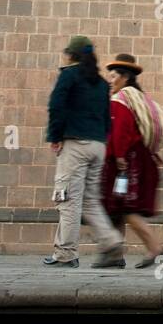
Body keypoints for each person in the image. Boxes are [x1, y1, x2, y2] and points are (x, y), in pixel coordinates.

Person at [43, 35, 124, 269]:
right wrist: (102, 141)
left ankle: (66, 254)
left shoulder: (68, 75)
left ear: (72, 55)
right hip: (98, 145)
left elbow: (56, 106)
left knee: (68, 199)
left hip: (75, 145)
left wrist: (55, 137)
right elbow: (106, 117)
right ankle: (112, 242)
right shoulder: (100, 82)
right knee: (90, 201)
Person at [102, 53, 163, 269]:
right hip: (136, 158)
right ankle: (114, 254)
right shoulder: (137, 98)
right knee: (117, 209)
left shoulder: (121, 100)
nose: (110, 80)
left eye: (113, 76)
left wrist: (119, 156)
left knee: (128, 209)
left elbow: (120, 131)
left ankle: (156, 249)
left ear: (124, 77)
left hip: (127, 161)